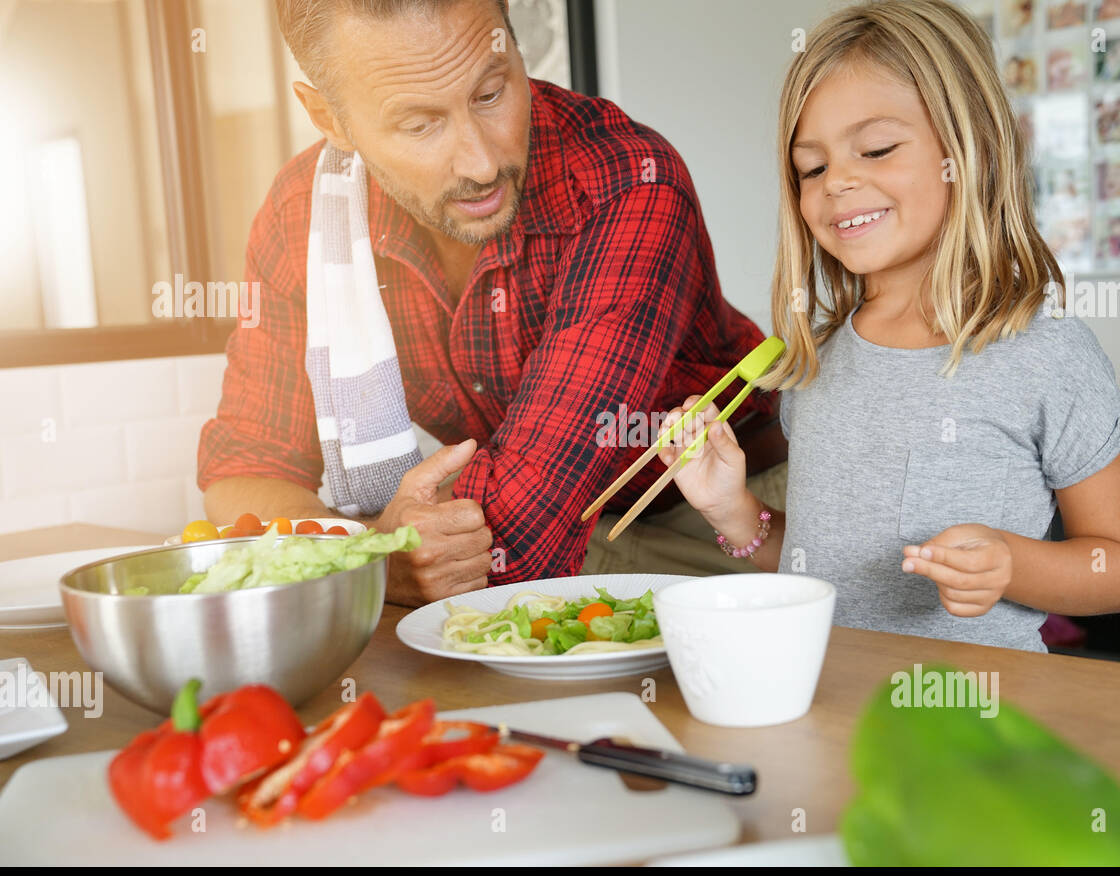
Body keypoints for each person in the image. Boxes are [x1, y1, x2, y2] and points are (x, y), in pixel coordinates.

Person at [197, 0, 786, 606]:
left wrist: (367, 561)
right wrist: (370, 552)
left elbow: (529, 520)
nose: (481, 163)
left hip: (722, 518)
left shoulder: (626, 179)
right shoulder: (306, 215)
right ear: (329, 117)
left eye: (490, 93)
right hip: (518, 536)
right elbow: (247, 471)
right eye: (420, 124)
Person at [656, 0, 1120, 652]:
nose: (838, 182)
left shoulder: (1046, 353)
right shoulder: (817, 362)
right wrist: (731, 510)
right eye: (813, 167)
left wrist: (1010, 563)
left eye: (877, 148)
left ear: (967, 147)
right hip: (830, 718)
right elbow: (819, 576)